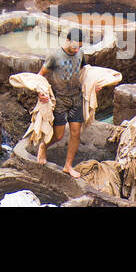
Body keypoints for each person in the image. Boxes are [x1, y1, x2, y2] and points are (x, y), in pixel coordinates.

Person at [36, 27, 85, 177]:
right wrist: (41, 92)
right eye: (75, 46)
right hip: (60, 99)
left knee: (76, 133)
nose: (77, 50)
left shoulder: (80, 53)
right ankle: (44, 146)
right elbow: (40, 75)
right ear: (68, 41)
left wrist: (94, 86)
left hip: (76, 98)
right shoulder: (54, 55)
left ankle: (68, 166)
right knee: (58, 135)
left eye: (80, 47)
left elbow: (85, 70)